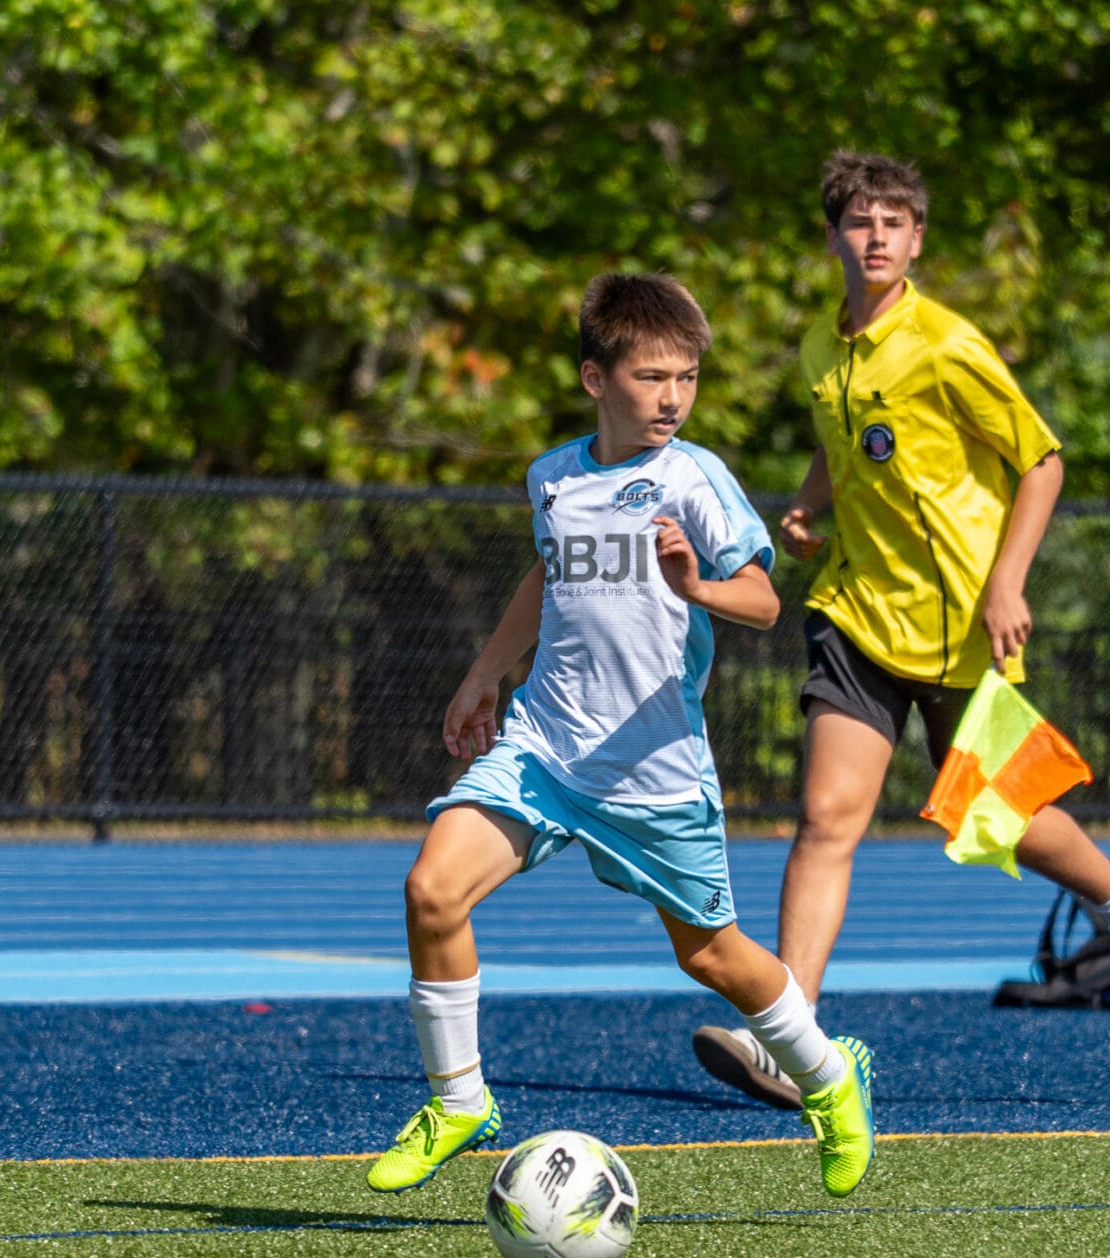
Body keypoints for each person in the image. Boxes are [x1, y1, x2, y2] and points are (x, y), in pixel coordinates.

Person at [365, 273, 876, 1199]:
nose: (673, 397)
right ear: (596, 378)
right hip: (547, 749)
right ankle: (459, 1100)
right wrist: (488, 671)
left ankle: (830, 1077)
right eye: (652, 377)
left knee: (710, 953)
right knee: (432, 889)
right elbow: (546, 575)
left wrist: (697, 587)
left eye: (687, 377)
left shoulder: (693, 478)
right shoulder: (552, 477)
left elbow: (763, 600)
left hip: (655, 770)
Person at [692, 151, 1110, 1110]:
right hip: (856, 612)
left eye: (894, 223)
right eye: (858, 221)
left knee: (992, 818)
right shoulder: (819, 347)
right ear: (833, 237)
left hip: (960, 623)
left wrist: (1008, 582)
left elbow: (1041, 460)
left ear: (916, 240)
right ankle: (790, 1038)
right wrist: (811, 505)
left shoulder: (948, 344)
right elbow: (842, 441)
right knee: (826, 817)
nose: (875, 237)